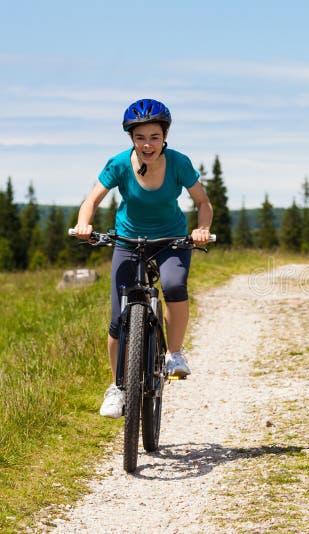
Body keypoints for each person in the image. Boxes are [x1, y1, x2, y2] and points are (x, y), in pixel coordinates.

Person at [73, 98, 213, 418]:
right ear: (131, 138)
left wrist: (202, 228)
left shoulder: (179, 163)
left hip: (170, 240)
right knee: (117, 318)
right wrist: (84, 224)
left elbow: (203, 203)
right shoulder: (119, 164)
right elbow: (91, 201)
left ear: (165, 136)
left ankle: (174, 354)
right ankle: (117, 388)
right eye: (140, 137)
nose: (147, 144)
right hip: (128, 240)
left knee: (174, 285)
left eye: (154, 137)